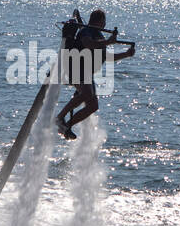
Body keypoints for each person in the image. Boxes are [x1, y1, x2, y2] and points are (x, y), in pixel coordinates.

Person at [55, 9, 134, 139]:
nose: (104, 25)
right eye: (103, 22)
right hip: (75, 67)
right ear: (99, 21)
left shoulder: (99, 36)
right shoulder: (86, 31)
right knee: (86, 94)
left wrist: (126, 54)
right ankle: (59, 118)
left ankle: (66, 126)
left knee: (93, 105)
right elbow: (88, 43)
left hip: (86, 72)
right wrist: (108, 42)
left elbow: (106, 57)